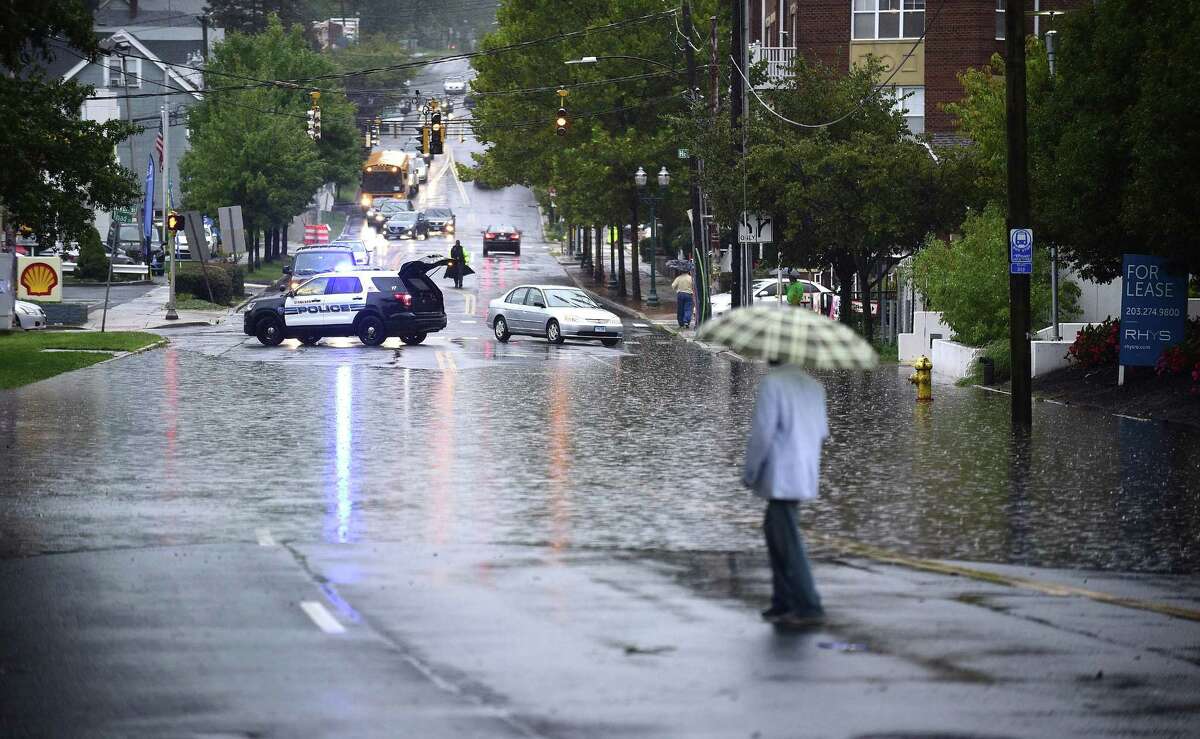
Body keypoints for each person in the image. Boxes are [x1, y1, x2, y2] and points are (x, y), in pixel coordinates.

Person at [743, 361, 829, 629]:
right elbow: (822, 431)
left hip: (781, 474)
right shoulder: (814, 386)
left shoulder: (773, 384)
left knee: (787, 540)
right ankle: (783, 601)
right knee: (775, 532)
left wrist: (750, 472)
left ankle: (807, 604)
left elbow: (762, 433)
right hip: (804, 471)